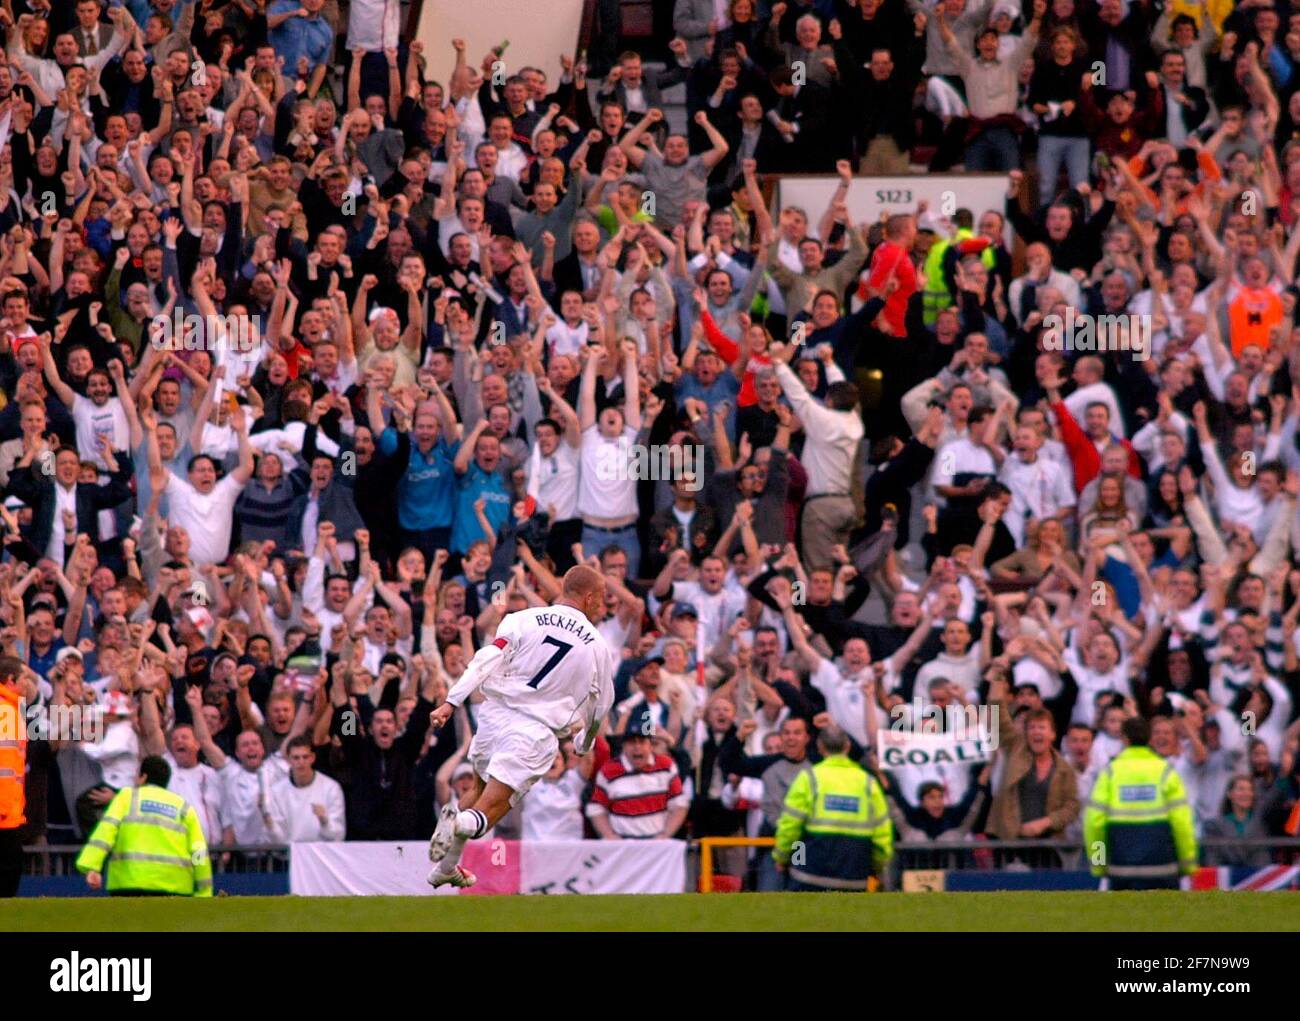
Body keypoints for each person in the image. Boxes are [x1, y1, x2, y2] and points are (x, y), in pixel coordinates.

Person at [426, 564, 616, 887]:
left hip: (493, 716)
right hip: (534, 731)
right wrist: (585, 743)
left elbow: (486, 660)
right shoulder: (597, 646)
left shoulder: (521, 618)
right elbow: (601, 707)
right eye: (600, 598)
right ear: (588, 598)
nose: (602, 605)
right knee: (490, 811)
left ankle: (445, 868)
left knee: (478, 790)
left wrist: (451, 701)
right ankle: (457, 821)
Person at [1084, 715, 1199, 890]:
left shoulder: (1110, 772)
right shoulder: (1166, 771)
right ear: (1150, 738)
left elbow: (1095, 823)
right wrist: (1187, 863)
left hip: (1121, 870)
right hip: (1163, 869)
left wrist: (1098, 864)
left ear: (1124, 739)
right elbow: (1182, 823)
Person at [772, 725, 892, 891]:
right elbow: (882, 833)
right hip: (854, 875)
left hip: (808, 875)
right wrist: (877, 865)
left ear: (820, 746)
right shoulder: (868, 783)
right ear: (847, 746)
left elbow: (791, 826)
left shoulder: (808, 778)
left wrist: (783, 857)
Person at [75, 755, 213, 897]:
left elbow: (106, 830)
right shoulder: (183, 807)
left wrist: (92, 866)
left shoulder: (127, 797)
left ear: (143, 777)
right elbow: (199, 850)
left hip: (129, 884)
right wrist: (204, 889)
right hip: (176, 886)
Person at [0, 657, 36, 897]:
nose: (28, 685)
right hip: (4, 816)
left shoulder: (10, 710)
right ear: (11, 680)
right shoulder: (6, 713)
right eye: (25, 679)